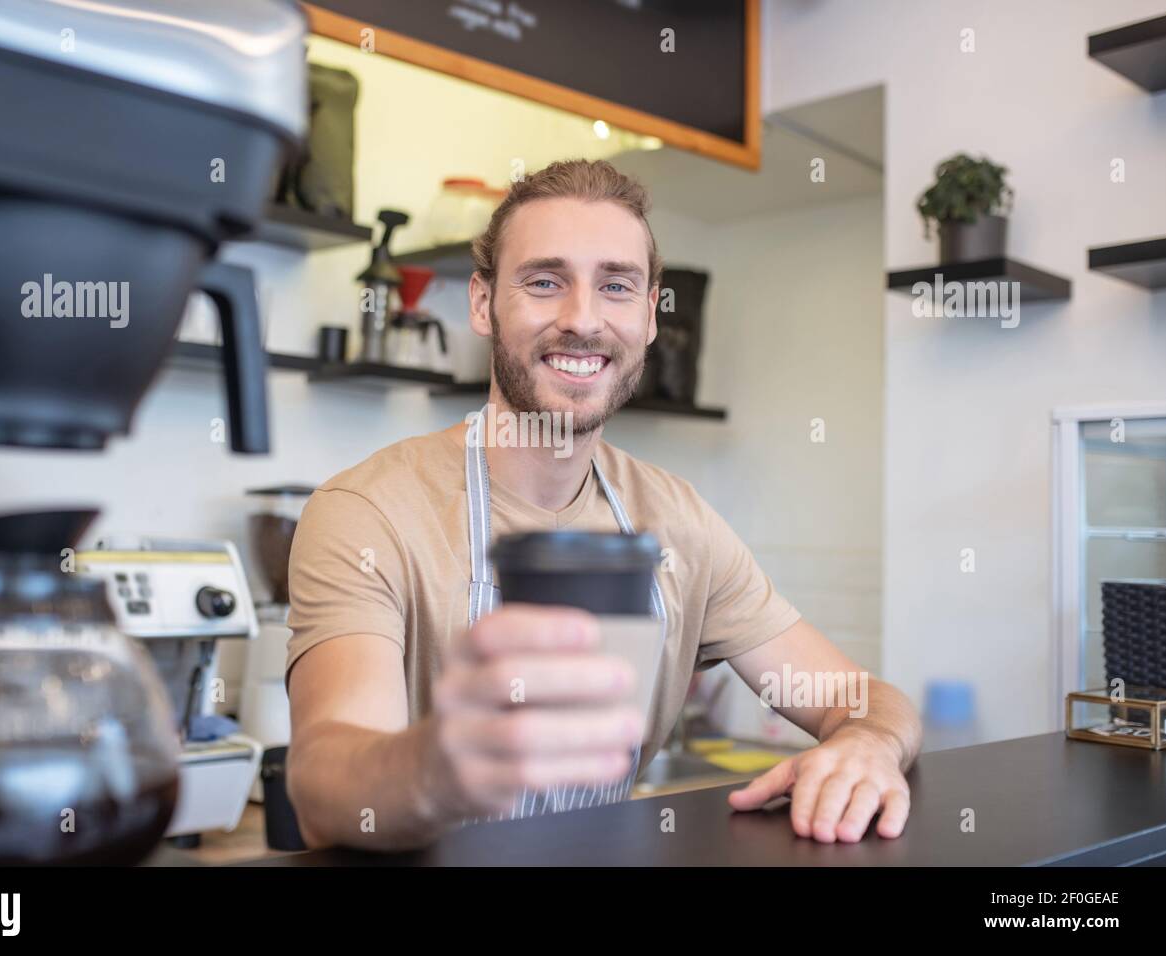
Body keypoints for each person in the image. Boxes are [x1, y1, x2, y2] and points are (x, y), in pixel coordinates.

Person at [285, 158, 920, 851]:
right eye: (545, 282)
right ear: (481, 303)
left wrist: (869, 743)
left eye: (616, 286)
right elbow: (325, 783)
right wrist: (443, 767)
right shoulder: (368, 512)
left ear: (649, 316)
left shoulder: (679, 524)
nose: (582, 320)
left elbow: (861, 699)